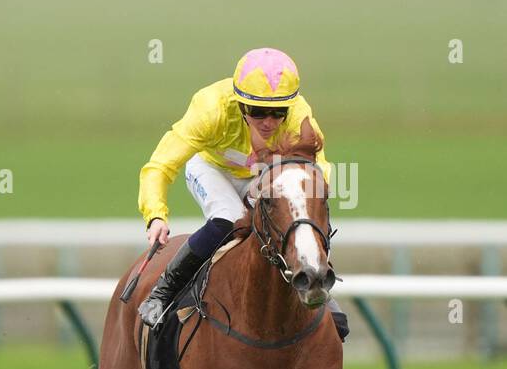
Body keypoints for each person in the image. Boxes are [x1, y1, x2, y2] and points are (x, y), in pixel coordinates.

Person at [136, 47, 348, 340]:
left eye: (278, 113)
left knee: (296, 212)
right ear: (239, 105)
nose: (269, 122)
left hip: (265, 173)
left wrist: (307, 200)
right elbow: (160, 165)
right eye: (258, 111)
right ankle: (163, 292)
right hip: (212, 169)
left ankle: (318, 283)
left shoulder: (300, 113)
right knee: (229, 219)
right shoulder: (211, 108)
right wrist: (155, 214)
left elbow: (318, 169)